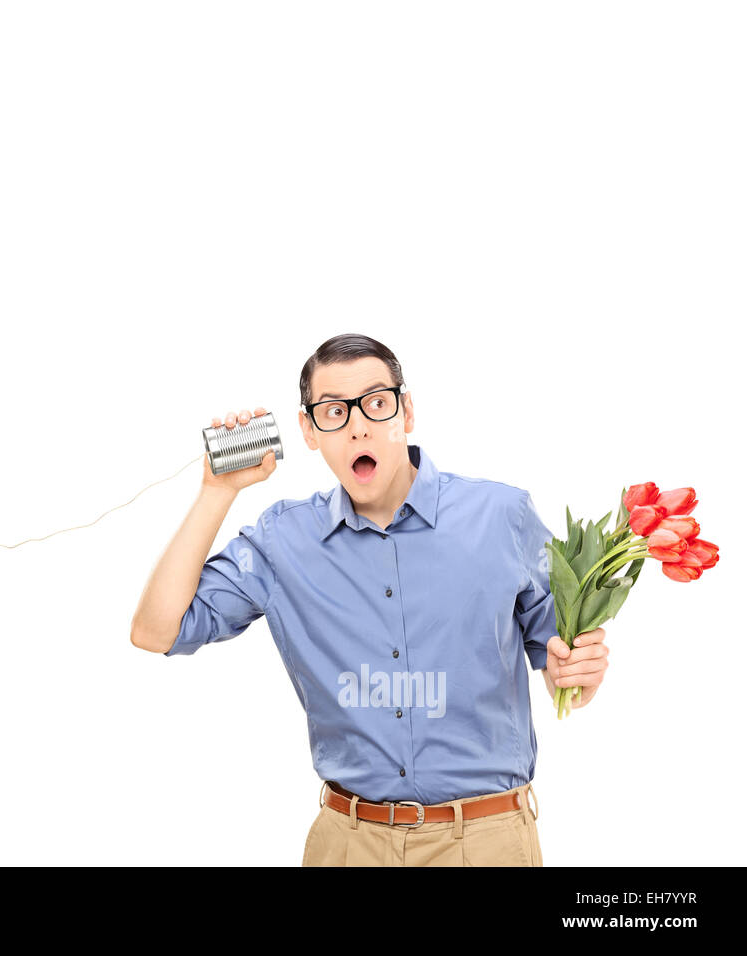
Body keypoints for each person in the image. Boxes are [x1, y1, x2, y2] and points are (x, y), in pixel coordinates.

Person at [129, 333, 610, 866]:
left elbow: (562, 666)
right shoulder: (282, 540)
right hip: (348, 842)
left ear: (406, 411)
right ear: (309, 431)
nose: (358, 424)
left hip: (485, 840)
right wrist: (217, 492)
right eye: (334, 411)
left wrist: (578, 673)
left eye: (376, 404)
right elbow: (155, 631)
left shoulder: (503, 516)